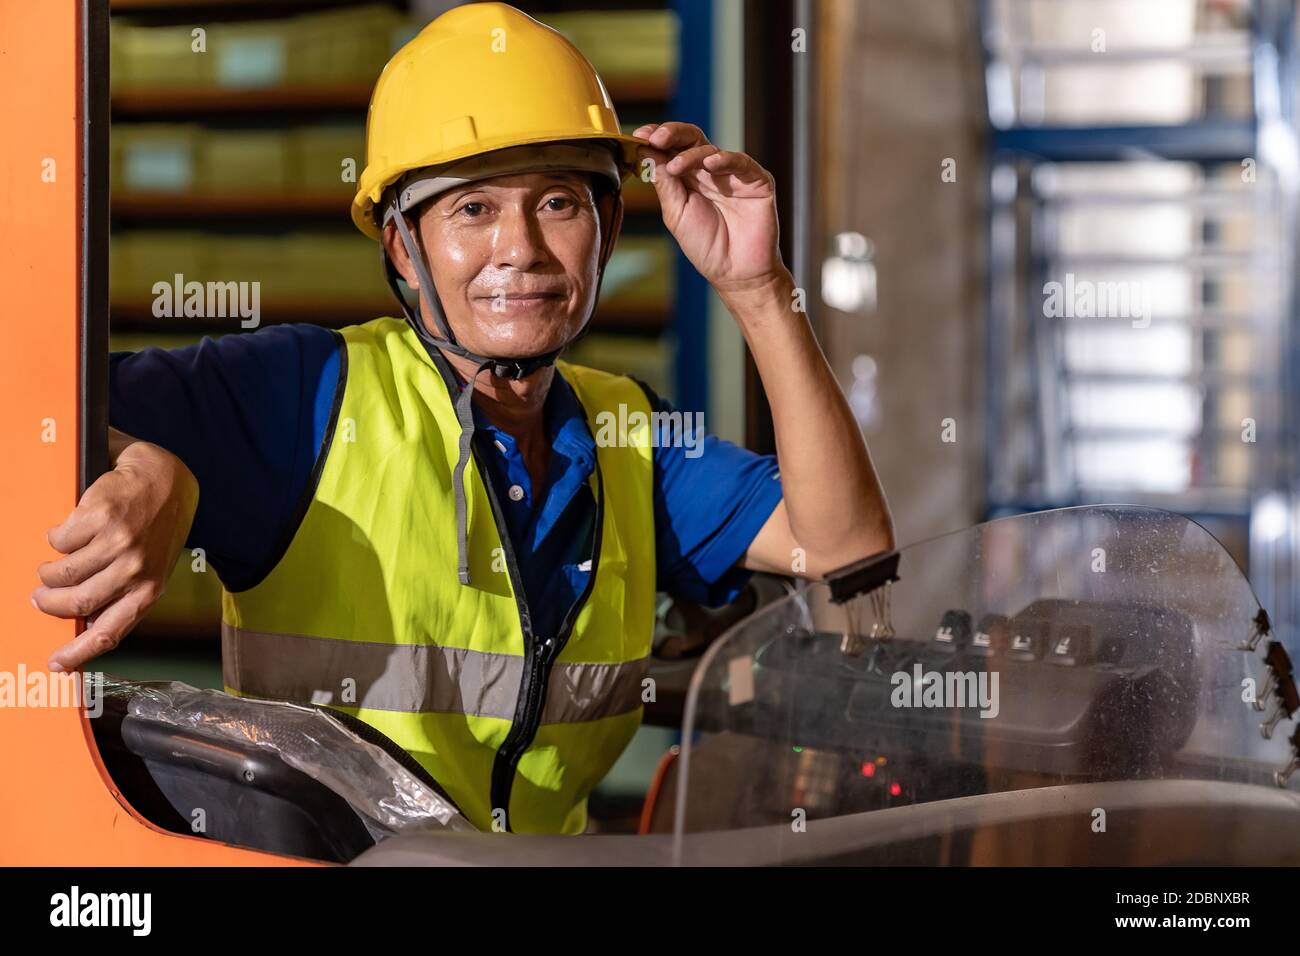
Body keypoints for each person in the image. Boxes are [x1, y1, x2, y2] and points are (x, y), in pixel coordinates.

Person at [33, 2, 893, 834]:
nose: (520, 247)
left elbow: (843, 547)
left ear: (606, 225)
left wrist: (758, 290)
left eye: (559, 201)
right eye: (473, 209)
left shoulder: (629, 431)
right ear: (404, 246)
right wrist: (151, 465)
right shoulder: (301, 392)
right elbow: (33, 409)